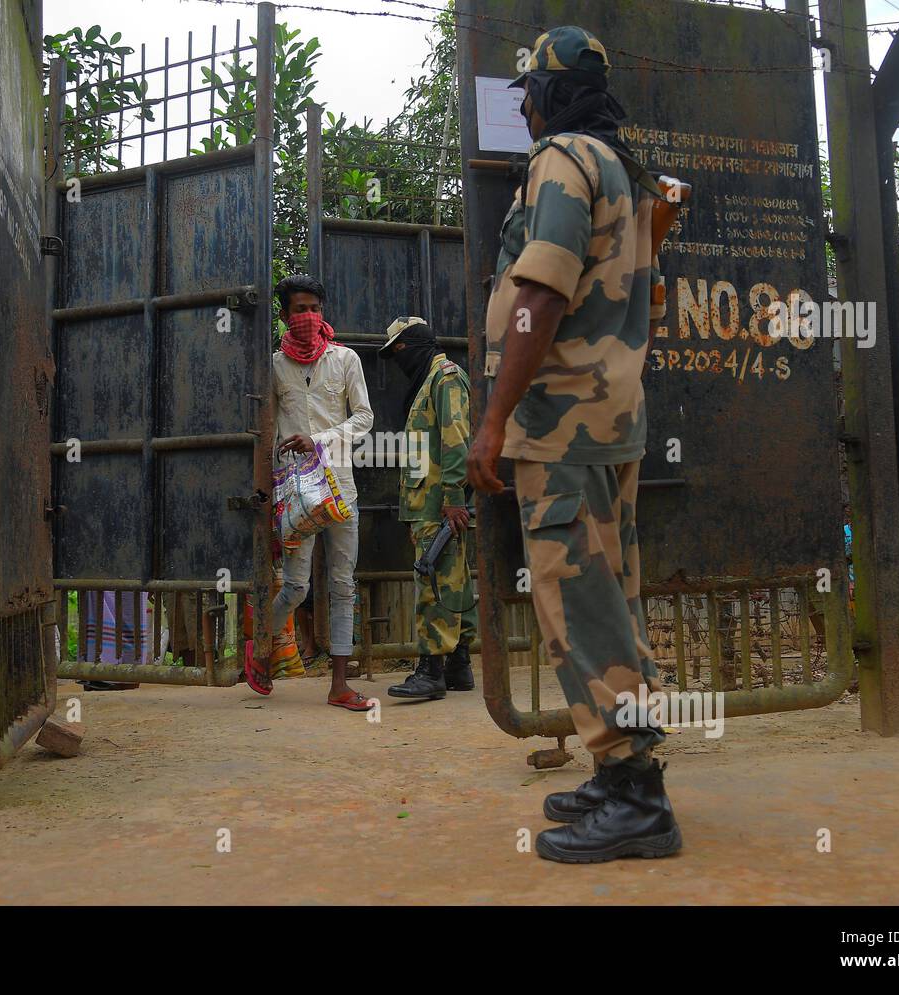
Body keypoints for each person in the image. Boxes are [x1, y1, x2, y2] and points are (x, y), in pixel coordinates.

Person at [466, 26, 680, 863]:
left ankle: (635, 794)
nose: (522, 105)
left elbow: (540, 295)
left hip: (560, 423)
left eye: (530, 91)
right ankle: (619, 769)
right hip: (611, 420)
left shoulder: (562, 160)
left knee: (575, 599)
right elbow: (650, 306)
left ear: (551, 95)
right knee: (610, 594)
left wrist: (495, 416)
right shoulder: (626, 174)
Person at [262, 274, 375, 711]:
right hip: (294, 494)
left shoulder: (345, 360)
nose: (307, 317)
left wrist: (322, 439)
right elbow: (271, 432)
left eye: (314, 308)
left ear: (322, 312)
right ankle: (262, 653)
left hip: (340, 489)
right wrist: (273, 491)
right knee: (295, 588)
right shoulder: (274, 366)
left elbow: (364, 418)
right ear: (285, 315)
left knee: (343, 585)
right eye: (298, 310)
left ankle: (340, 685)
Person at [379, 316, 478, 699]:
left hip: (439, 504)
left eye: (400, 351)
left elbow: (457, 440)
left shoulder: (444, 378)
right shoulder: (428, 381)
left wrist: (453, 499)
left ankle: (431, 669)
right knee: (453, 579)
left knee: (434, 580)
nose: (398, 360)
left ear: (418, 345)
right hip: (428, 503)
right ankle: (459, 666)